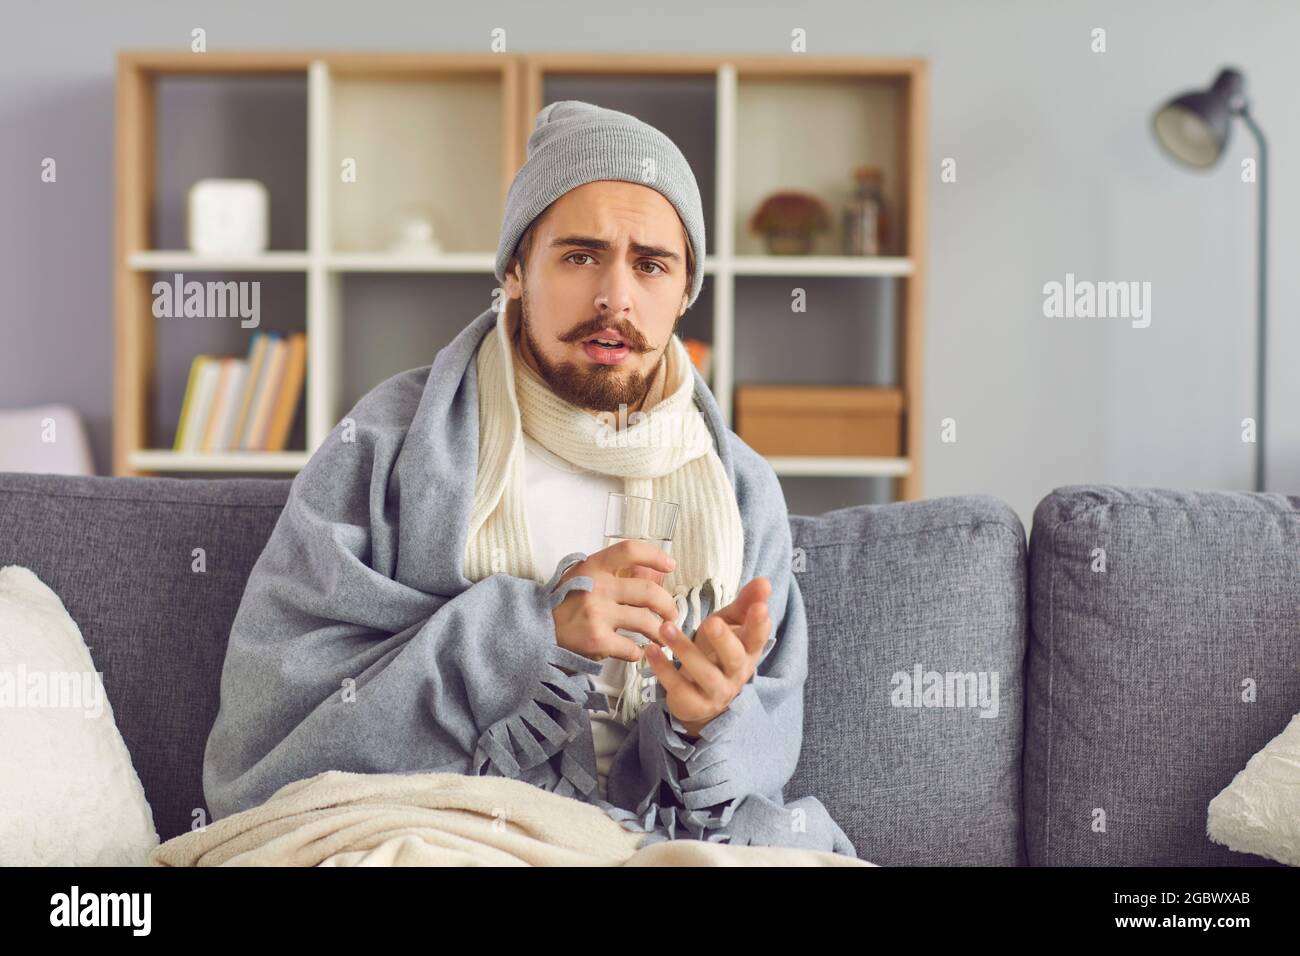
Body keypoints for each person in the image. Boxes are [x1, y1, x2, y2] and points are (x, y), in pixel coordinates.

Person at [202, 100, 857, 856]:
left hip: (660, 841)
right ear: (515, 270)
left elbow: (752, 772)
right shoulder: (385, 444)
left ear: (684, 294)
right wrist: (532, 633)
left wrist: (707, 720)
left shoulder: (740, 488)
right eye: (579, 256)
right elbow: (273, 714)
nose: (616, 296)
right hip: (449, 826)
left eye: (651, 265)